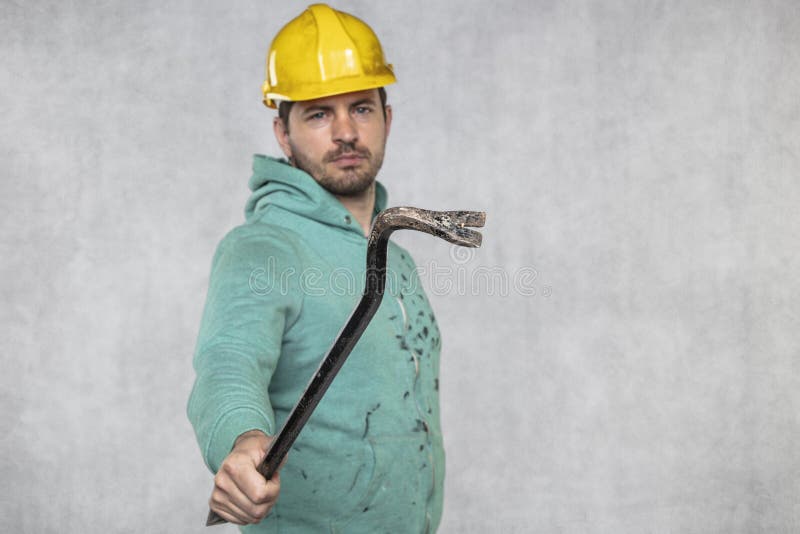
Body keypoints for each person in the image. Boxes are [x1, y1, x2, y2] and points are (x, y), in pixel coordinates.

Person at [188, 4, 445, 532]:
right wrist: (241, 443)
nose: (346, 132)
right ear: (282, 133)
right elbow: (227, 363)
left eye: (361, 108)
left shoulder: (394, 257)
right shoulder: (263, 248)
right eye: (319, 114)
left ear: (387, 118)